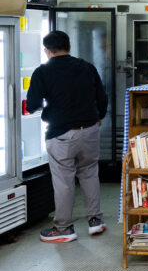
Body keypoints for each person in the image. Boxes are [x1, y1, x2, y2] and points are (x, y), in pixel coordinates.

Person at [26, 31, 108, 243]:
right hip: (89, 129)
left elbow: (32, 104)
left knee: (63, 180)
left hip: (61, 133)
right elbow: (102, 97)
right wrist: (99, 116)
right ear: (69, 47)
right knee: (90, 173)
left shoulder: (42, 72)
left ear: (47, 50)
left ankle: (64, 228)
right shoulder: (87, 67)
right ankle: (96, 221)